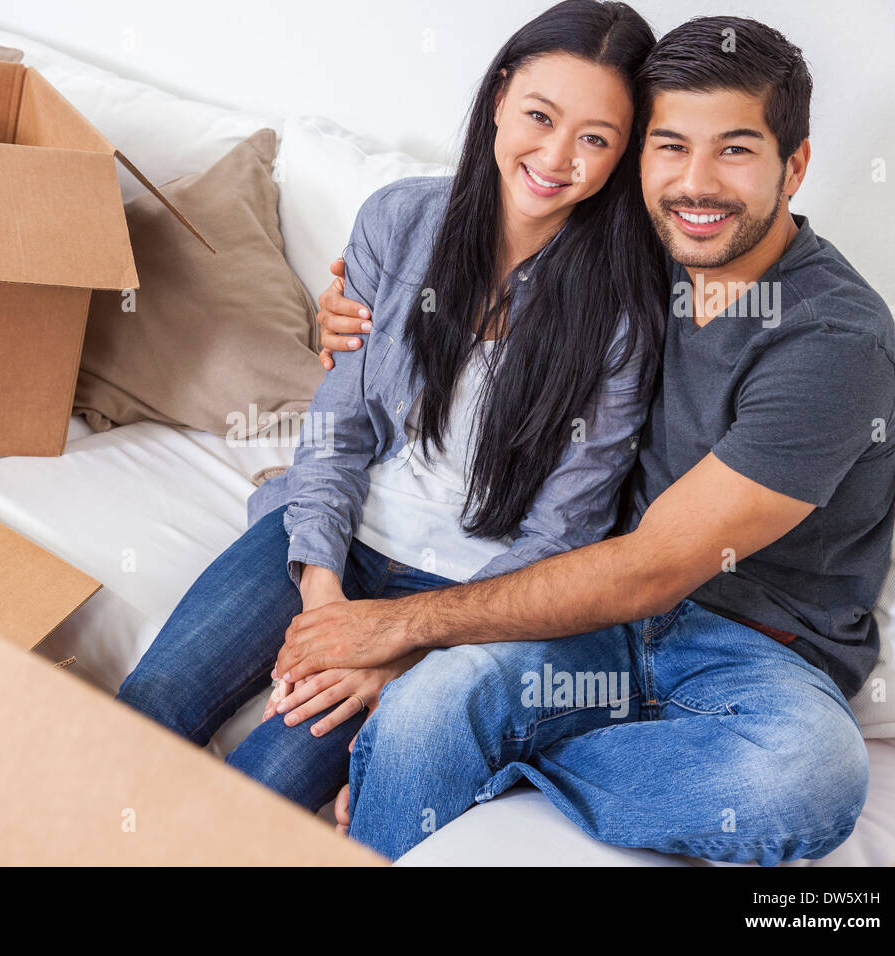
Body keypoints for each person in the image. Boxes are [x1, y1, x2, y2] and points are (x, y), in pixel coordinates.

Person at [285, 14, 895, 864]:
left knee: (806, 777)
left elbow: (656, 567)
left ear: (793, 166)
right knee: (432, 710)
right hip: (588, 620)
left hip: (752, 654)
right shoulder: (639, 255)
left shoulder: (832, 341)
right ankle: (442, 764)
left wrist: (402, 629)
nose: (696, 184)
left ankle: (506, 762)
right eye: (668, 146)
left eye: (734, 150)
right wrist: (352, 313)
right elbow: (462, 272)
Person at [117, 0, 668, 817]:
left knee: (256, 795)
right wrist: (325, 602)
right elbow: (337, 432)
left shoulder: (624, 309)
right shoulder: (402, 220)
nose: (556, 157)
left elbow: (564, 534)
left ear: (623, 155)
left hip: (468, 589)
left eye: (595, 138)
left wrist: (401, 651)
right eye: (539, 116)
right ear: (499, 96)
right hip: (336, 537)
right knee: (144, 707)